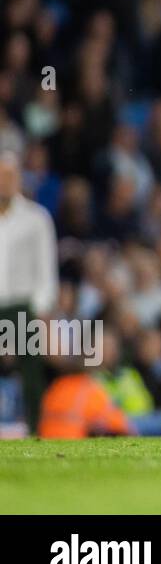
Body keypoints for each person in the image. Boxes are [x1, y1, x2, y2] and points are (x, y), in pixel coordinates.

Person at [0, 149, 59, 434]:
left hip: (22, 306)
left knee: (31, 371)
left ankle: (37, 430)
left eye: (9, 176)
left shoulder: (36, 218)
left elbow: (46, 273)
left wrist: (39, 312)